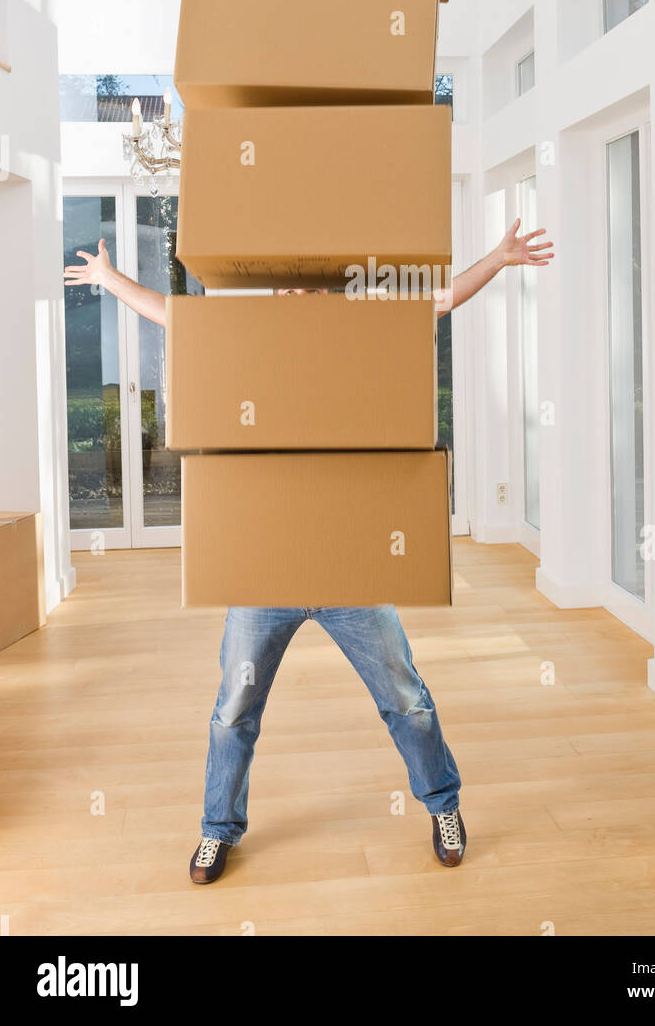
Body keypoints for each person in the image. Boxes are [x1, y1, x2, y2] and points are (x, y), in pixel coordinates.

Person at [65, 220, 554, 882]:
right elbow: (174, 318)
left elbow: (436, 301)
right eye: (285, 282)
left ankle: (442, 804)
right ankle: (217, 829)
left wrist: (497, 259)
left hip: (347, 563)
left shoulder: (359, 329)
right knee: (233, 710)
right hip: (266, 566)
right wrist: (109, 278)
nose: (296, 292)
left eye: (307, 281)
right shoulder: (250, 335)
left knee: (404, 698)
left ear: (327, 285)